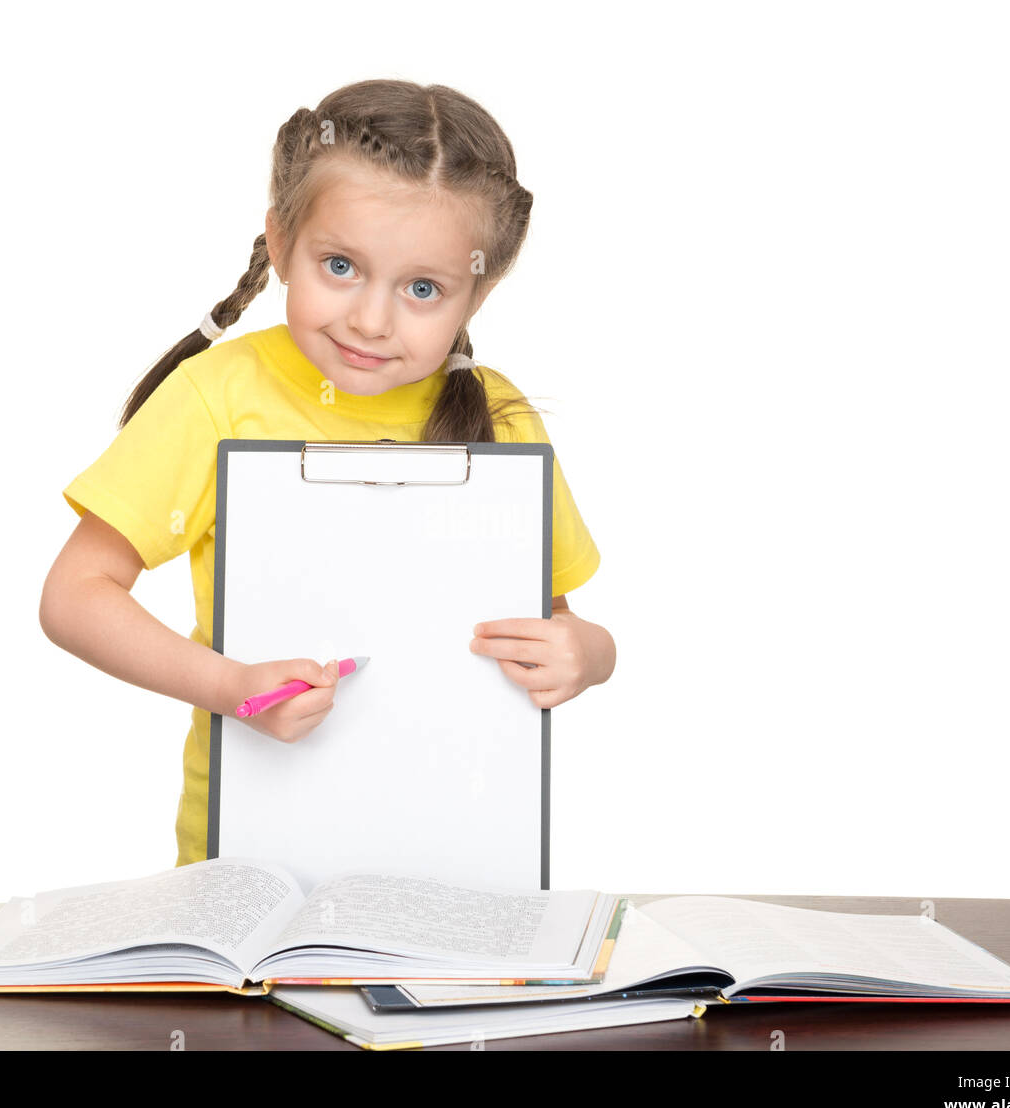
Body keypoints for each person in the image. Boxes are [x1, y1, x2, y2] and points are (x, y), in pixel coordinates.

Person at [39, 79, 616, 867]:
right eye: (339, 265)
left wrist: (590, 654)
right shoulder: (217, 398)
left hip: (463, 861)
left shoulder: (500, 413)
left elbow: (552, 616)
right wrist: (233, 685)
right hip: (248, 872)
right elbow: (75, 596)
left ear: (477, 291)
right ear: (279, 243)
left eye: (422, 288)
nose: (372, 320)